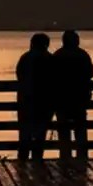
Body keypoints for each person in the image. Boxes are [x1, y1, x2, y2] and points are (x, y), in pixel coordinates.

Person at [53, 30, 93, 160]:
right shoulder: (82, 55)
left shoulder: (58, 55)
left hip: (61, 98)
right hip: (79, 98)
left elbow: (51, 76)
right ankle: (82, 157)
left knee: (64, 129)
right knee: (80, 129)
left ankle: (65, 157)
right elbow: (91, 73)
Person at [15, 33, 54, 161]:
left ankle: (23, 160)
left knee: (25, 133)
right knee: (40, 133)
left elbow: (19, 76)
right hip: (45, 101)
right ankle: (37, 160)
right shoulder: (50, 59)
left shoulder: (25, 58)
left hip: (26, 100)